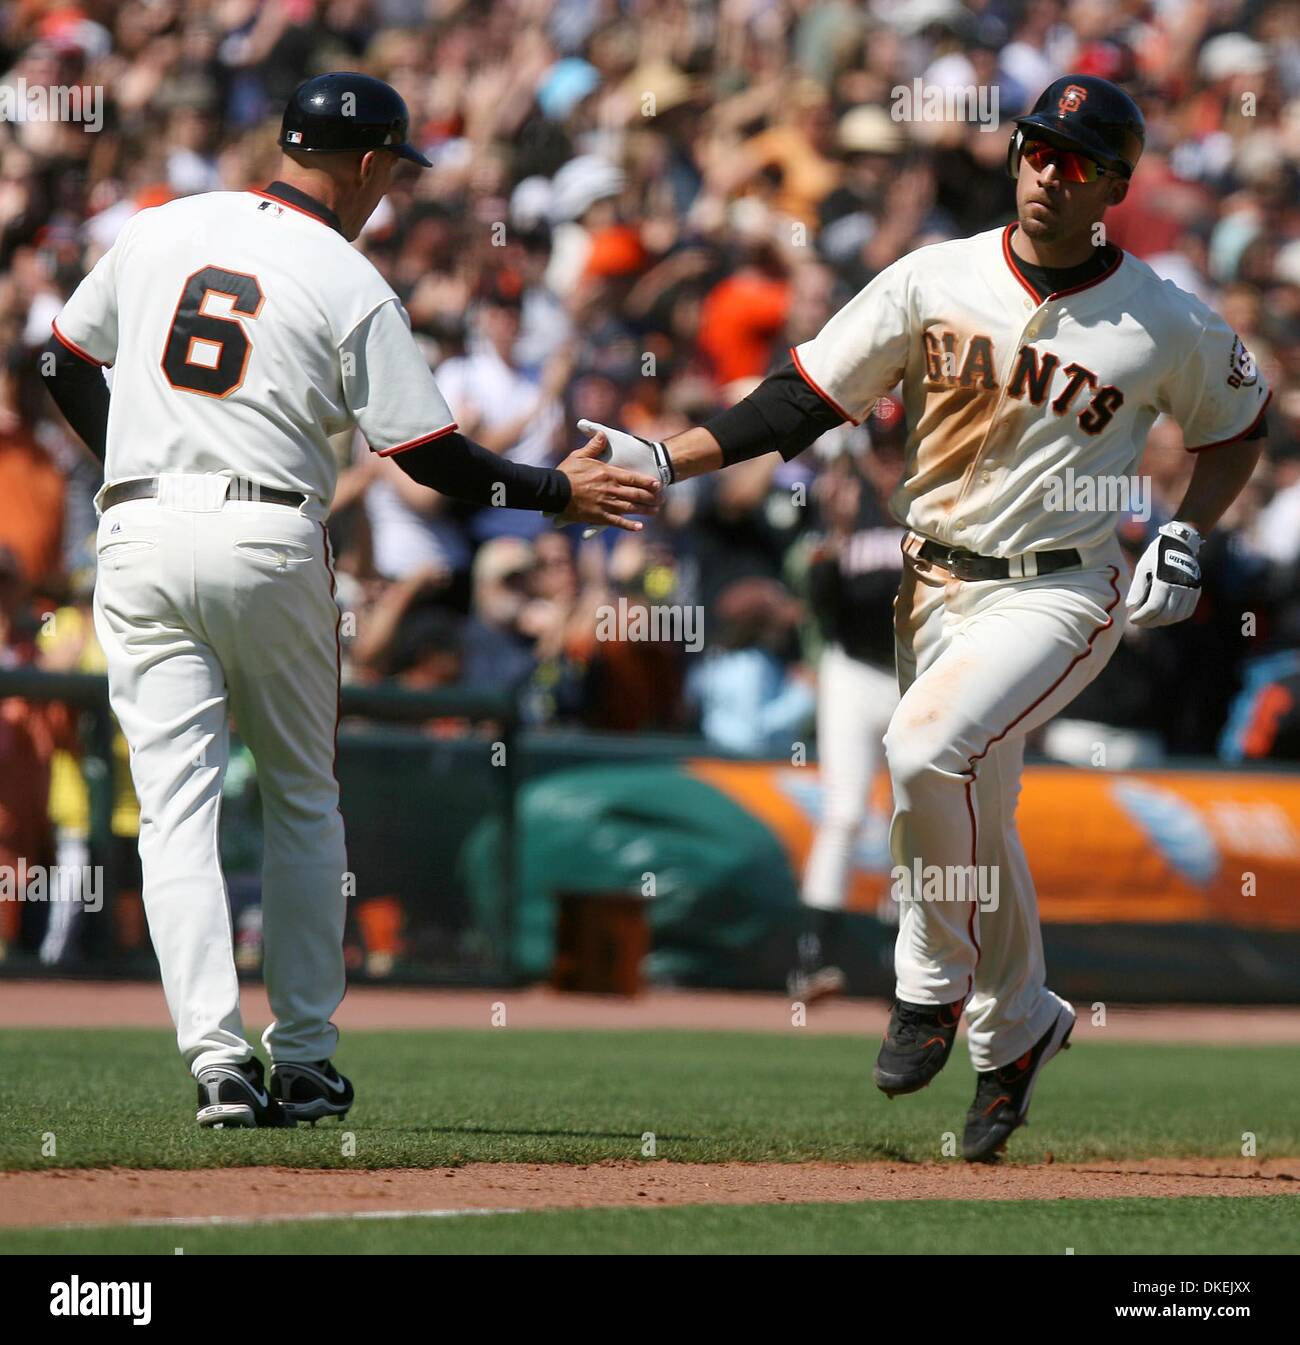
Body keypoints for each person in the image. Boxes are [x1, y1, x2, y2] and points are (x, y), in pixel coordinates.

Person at [573, 75, 1270, 1161]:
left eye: (1078, 160)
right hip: (930, 590)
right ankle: (1020, 1025)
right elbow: (804, 396)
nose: (1049, 170)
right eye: (1038, 147)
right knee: (975, 813)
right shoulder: (933, 277)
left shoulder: (1162, 317)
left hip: (1061, 585)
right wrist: (667, 458)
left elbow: (1238, 422)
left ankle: (928, 979)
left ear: (1117, 186)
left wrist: (1191, 532)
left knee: (923, 745)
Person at [40, 72, 659, 1130]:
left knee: (176, 810)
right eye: (393, 171)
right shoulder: (345, 272)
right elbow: (429, 457)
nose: (392, 191)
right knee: (300, 795)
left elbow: (57, 359)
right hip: (267, 531)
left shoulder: (163, 226)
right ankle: (307, 1057)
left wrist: (141, 455)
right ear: (370, 162)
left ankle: (215, 1064)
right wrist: (557, 490)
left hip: (136, 528)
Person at [791, 403, 907, 1003]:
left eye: (898, 446)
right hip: (851, 674)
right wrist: (833, 540)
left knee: (910, 822)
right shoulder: (845, 499)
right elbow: (819, 603)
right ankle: (814, 958)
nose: (889, 459)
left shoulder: (938, 498)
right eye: (882, 447)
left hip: (914, 679)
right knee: (842, 813)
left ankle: (904, 968)